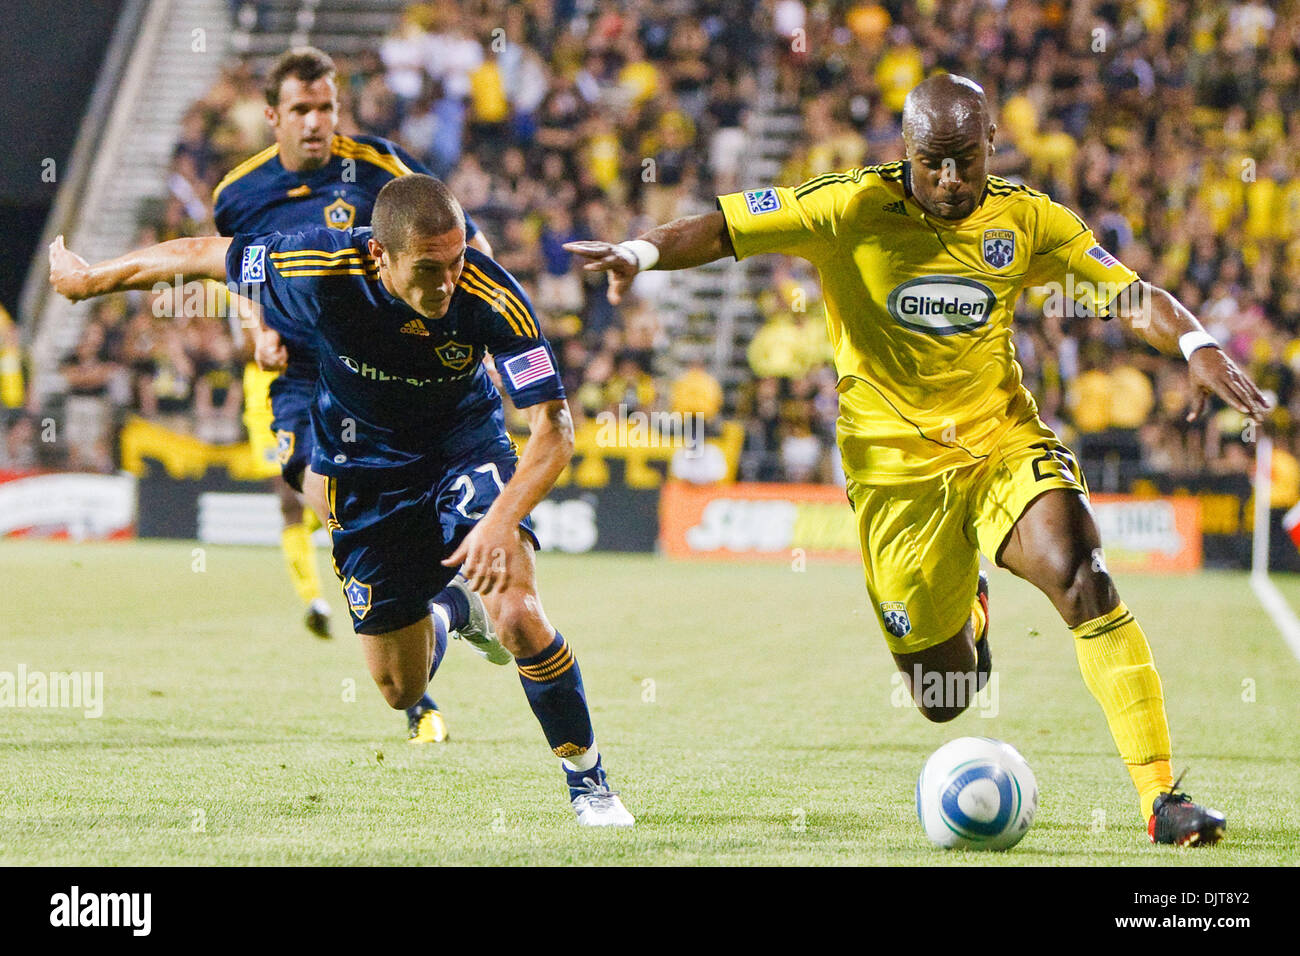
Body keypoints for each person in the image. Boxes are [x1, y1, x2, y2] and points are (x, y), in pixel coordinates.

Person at [566, 74, 1271, 846]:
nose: (950, 179)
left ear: (991, 146)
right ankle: (968, 602)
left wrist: (1197, 344)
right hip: (894, 479)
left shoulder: (1027, 219)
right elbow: (725, 228)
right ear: (905, 151)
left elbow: (1128, 294)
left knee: (1083, 576)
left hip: (1000, 441)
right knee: (945, 694)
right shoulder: (849, 207)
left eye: (966, 160)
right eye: (933, 161)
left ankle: (1161, 797)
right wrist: (639, 250)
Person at [48, 173, 634, 827]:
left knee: (519, 615)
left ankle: (589, 782)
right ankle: (449, 610)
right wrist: (91, 280)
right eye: (429, 269)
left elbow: (555, 431)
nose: (447, 284)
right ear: (380, 256)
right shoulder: (313, 264)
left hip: (463, 451)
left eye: (458, 260)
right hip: (362, 472)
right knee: (398, 689)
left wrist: (500, 523)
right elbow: (204, 255)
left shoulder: (492, 294)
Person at [212, 46, 500, 744]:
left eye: (328, 108)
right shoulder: (238, 195)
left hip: (370, 364)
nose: (317, 123)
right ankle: (420, 655)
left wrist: (481, 328)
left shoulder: (379, 167)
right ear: (273, 116)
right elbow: (233, 274)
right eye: (303, 110)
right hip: (291, 372)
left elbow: (459, 237)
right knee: (321, 496)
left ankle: (418, 668)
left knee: (364, 512)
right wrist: (254, 328)